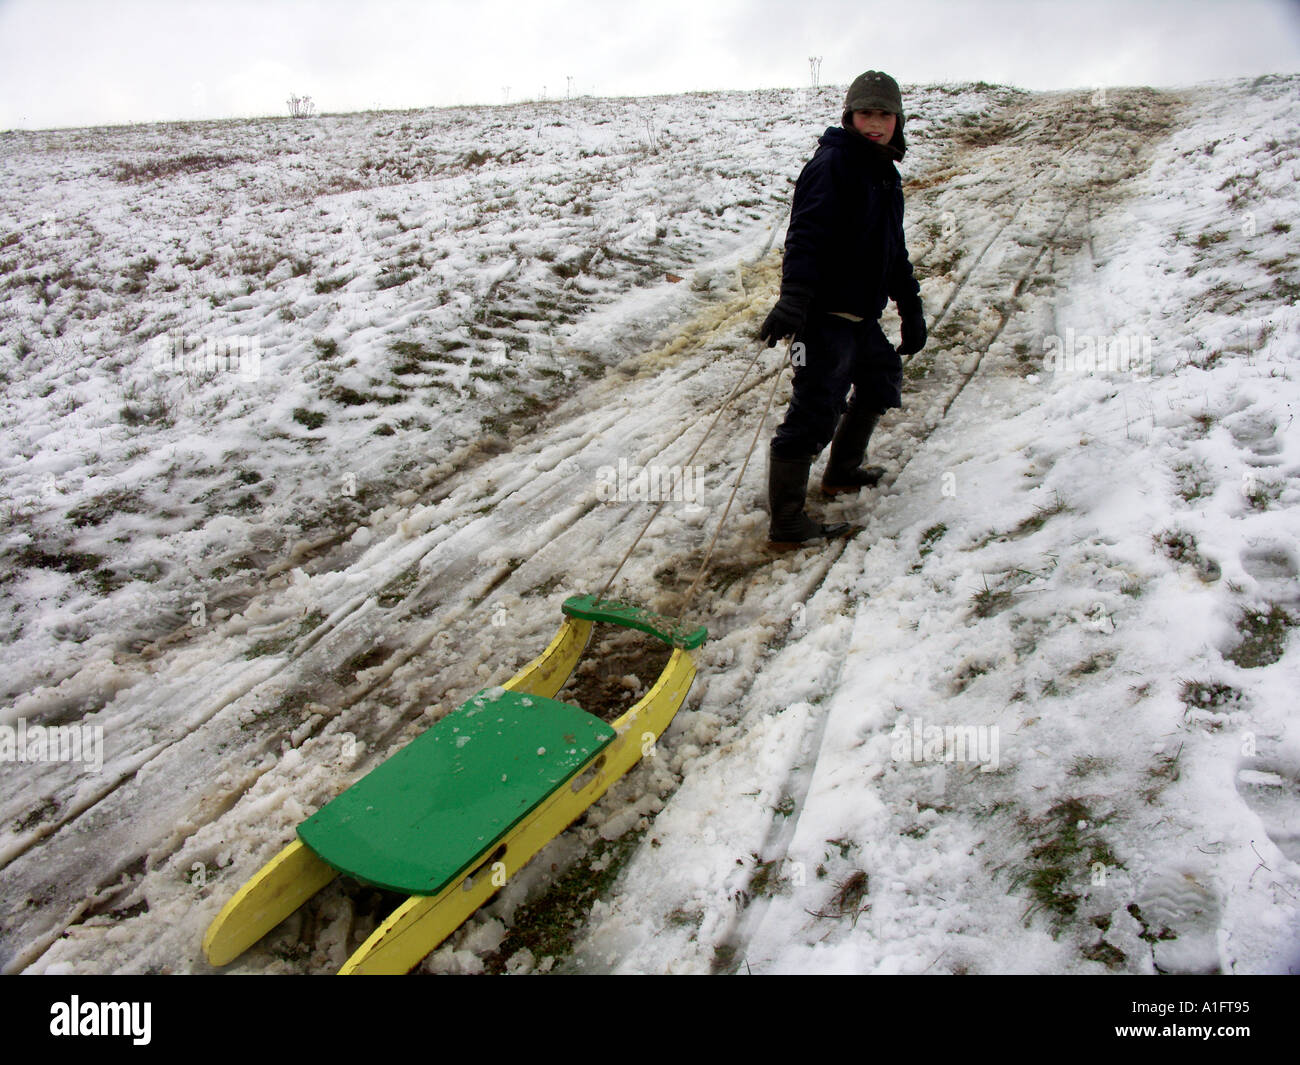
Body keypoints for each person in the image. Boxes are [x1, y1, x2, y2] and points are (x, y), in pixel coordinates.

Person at [760, 69, 926, 548]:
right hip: (823, 317)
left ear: (897, 120)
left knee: (880, 379)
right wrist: (794, 298)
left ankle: (843, 471)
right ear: (850, 116)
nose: (875, 122)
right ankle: (788, 523)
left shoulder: (882, 171)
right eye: (865, 112)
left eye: (884, 114)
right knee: (815, 412)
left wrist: (910, 304)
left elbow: (892, 249)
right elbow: (806, 236)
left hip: (860, 316)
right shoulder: (833, 164)